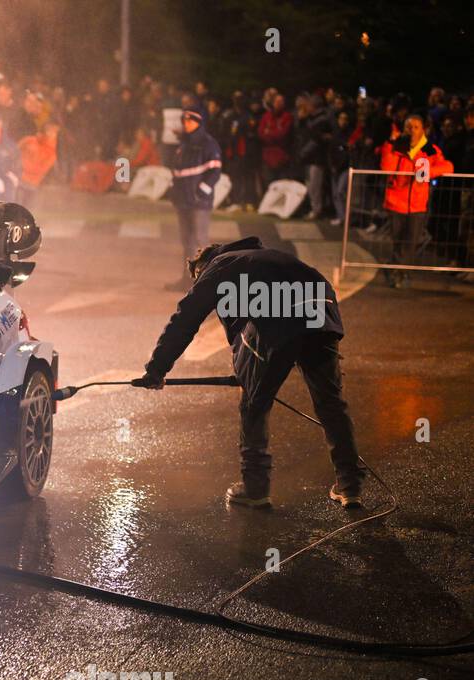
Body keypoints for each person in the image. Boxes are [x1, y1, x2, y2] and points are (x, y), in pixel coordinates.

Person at [134, 237, 365, 509]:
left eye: (197, 277)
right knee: (331, 403)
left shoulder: (219, 265)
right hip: (320, 308)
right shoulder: (262, 259)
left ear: (202, 266)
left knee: (254, 403)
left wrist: (156, 369)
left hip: (280, 314)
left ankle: (255, 487)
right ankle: (349, 485)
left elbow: (184, 321)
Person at [378, 113, 454, 288]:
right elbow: (386, 167)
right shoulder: (397, 147)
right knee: (398, 241)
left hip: (417, 203)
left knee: (411, 241)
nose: (412, 130)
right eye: (409, 127)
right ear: (404, 129)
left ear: (423, 129)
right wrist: (390, 143)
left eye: (416, 127)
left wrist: (428, 172)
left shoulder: (428, 148)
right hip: (396, 202)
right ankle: (397, 271)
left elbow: (447, 166)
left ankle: (399, 272)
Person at [165, 107, 221, 290]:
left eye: (190, 121)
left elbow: (214, 171)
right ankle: (187, 280)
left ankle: (206, 284)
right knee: (187, 242)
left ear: (199, 122)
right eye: (184, 121)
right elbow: (178, 171)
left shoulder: (208, 144)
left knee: (200, 242)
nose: (186, 124)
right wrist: (173, 191)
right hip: (183, 201)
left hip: (199, 203)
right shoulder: (184, 145)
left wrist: (201, 192)